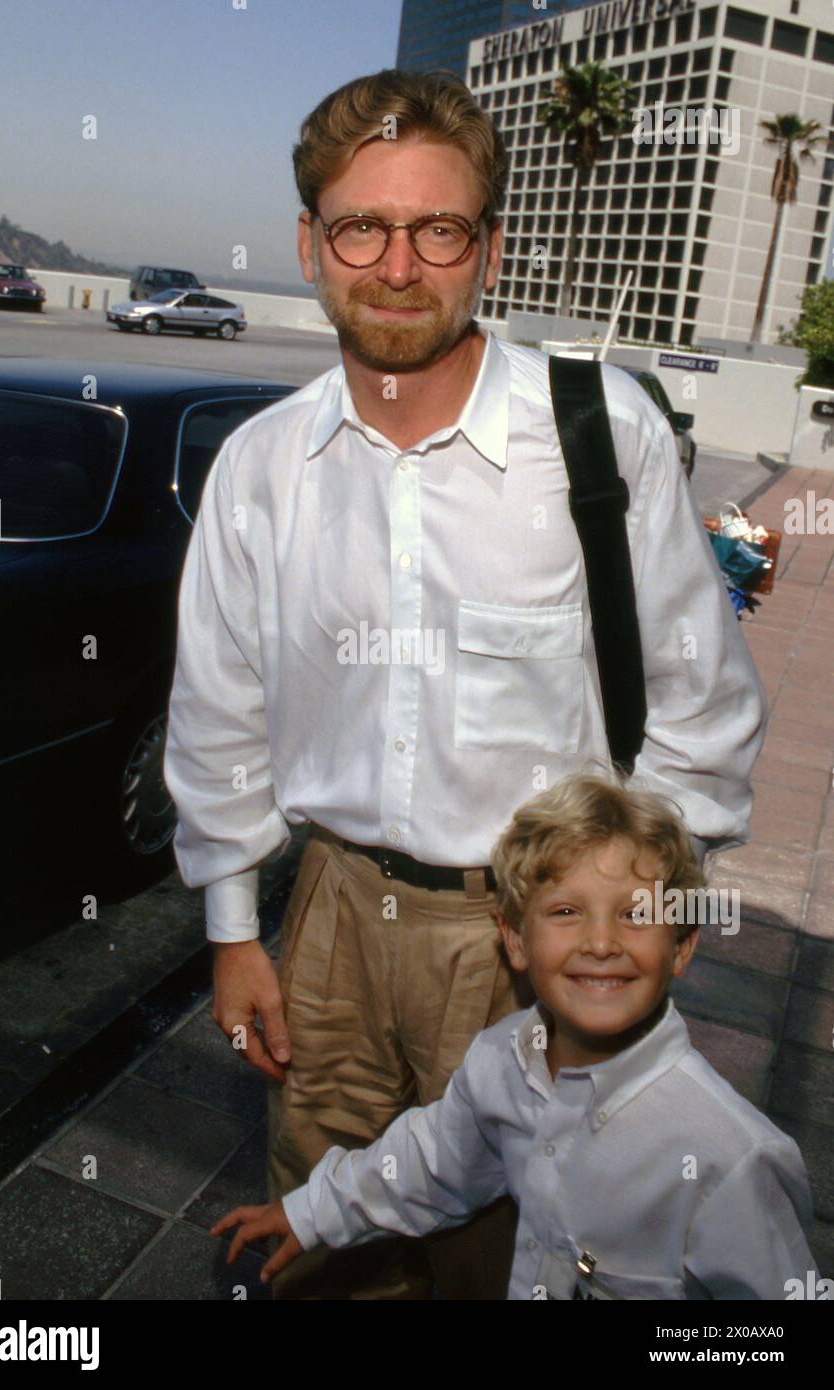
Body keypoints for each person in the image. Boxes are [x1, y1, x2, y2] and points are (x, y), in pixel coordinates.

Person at [163, 68, 768, 1300]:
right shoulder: (263, 467)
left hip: (531, 934)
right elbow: (219, 716)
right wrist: (236, 933)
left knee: (522, 1249)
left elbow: (698, 710)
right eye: (361, 227)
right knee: (324, 1240)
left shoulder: (599, 437)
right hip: (328, 917)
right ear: (309, 243)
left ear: (486, 246)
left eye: (437, 228)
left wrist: (633, 944)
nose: (397, 265)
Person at [211, 773, 817, 1301]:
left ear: (682, 946)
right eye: (565, 912)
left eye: (636, 914)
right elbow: (435, 1164)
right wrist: (311, 1212)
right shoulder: (502, 1058)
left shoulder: (730, 1158)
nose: (601, 943)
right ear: (515, 939)